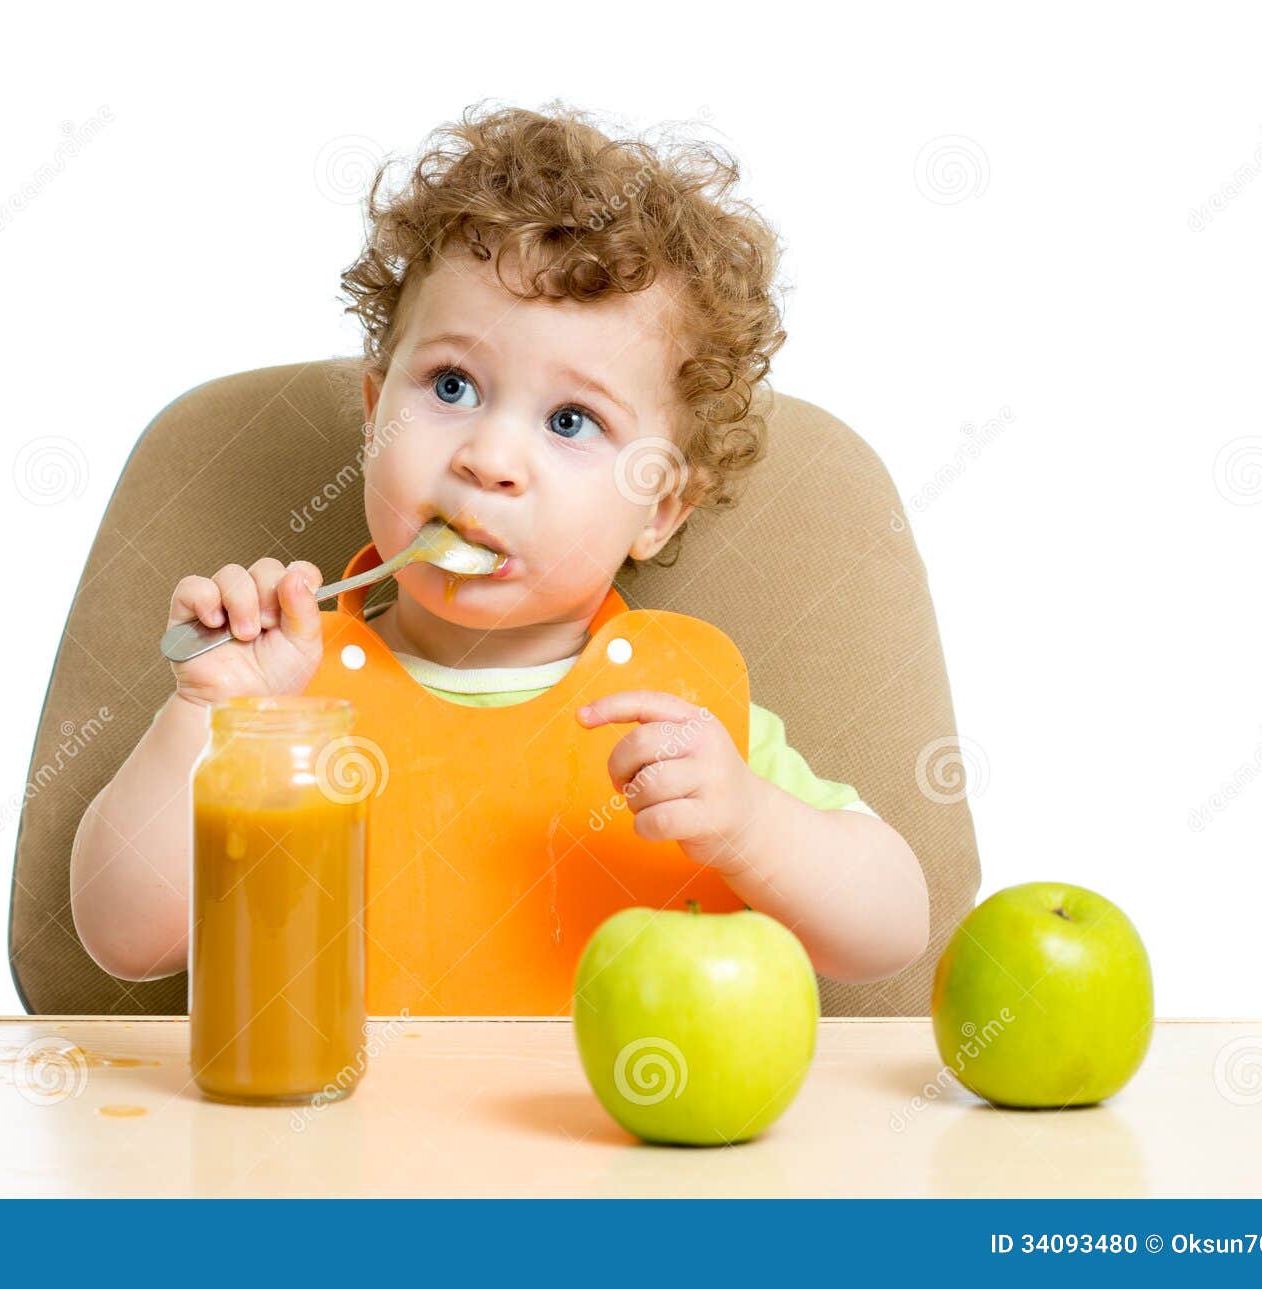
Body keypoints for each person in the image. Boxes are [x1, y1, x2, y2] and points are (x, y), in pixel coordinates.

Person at [71, 101, 929, 990]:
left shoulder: (680, 719)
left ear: (659, 508)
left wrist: (750, 825)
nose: (488, 458)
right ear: (375, 417)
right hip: (326, 1127)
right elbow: (123, 941)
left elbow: (891, 933)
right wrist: (204, 715)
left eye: (571, 419)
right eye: (452, 385)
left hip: (610, 1126)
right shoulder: (277, 692)